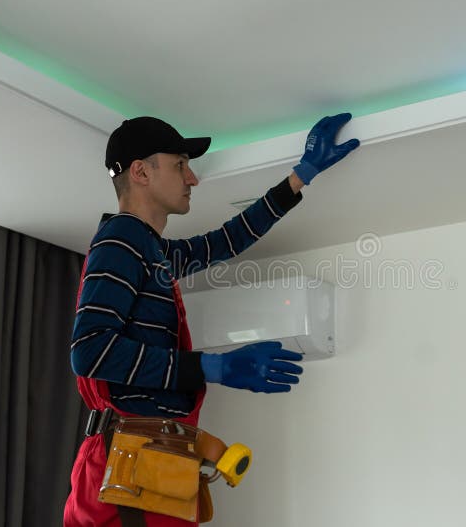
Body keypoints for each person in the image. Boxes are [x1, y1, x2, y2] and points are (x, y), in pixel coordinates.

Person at [63, 113, 360, 526]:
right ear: (141, 172)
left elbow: (226, 241)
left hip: (147, 461)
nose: (193, 179)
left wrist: (301, 176)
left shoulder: (150, 250)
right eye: (180, 165)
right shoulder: (120, 242)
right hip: (130, 470)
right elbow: (90, 351)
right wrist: (211, 367)